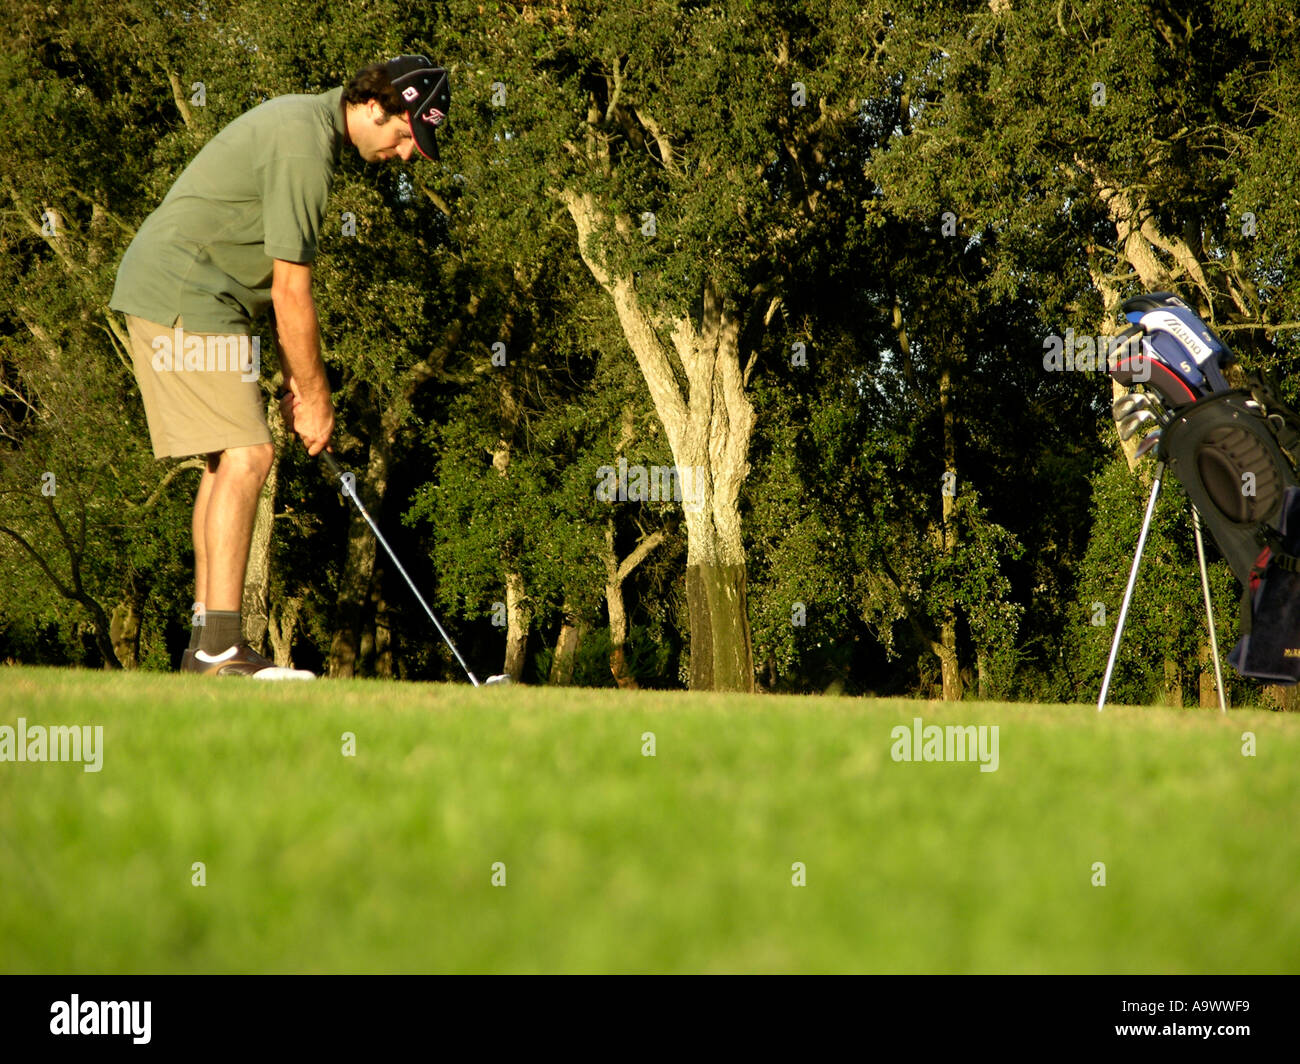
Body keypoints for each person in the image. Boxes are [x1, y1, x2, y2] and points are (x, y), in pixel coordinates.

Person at [110, 55, 450, 678]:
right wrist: (316, 398)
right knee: (250, 454)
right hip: (185, 290)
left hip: (203, 296)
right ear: (374, 106)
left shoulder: (309, 129)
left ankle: (204, 648)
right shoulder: (305, 144)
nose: (406, 154)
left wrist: (298, 376)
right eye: (406, 136)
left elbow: (271, 278)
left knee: (226, 460)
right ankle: (220, 648)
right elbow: (292, 291)